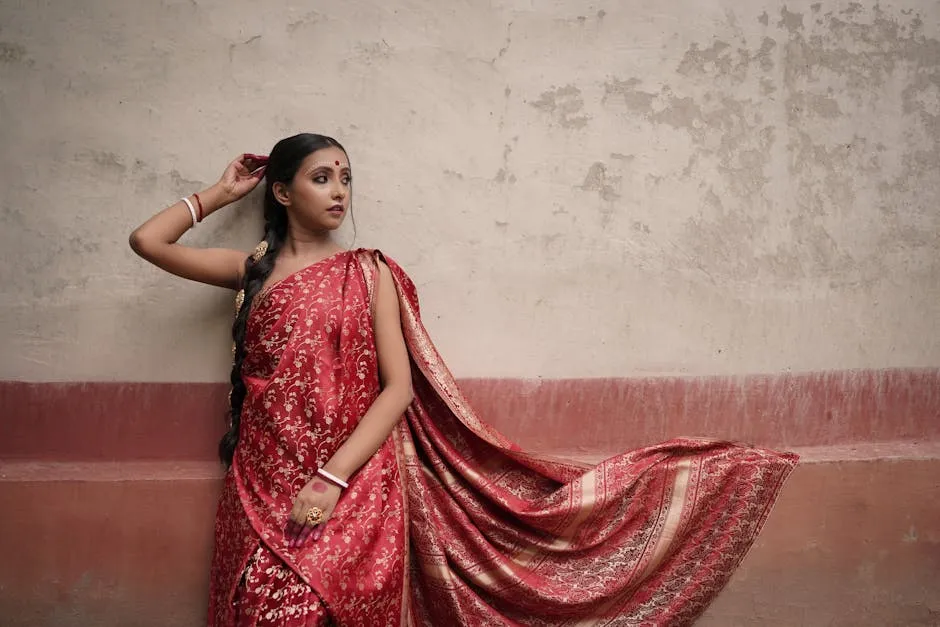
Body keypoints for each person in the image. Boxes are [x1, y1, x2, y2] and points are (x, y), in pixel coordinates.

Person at [130, 133, 798, 626]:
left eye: (346, 178)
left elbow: (397, 389)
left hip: (353, 486)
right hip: (259, 482)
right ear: (282, 190)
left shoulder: (370, 273)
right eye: (321, 177)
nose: (340, 191)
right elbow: (148, 243)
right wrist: (217, 194)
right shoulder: (253, 269)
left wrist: (331, 480)